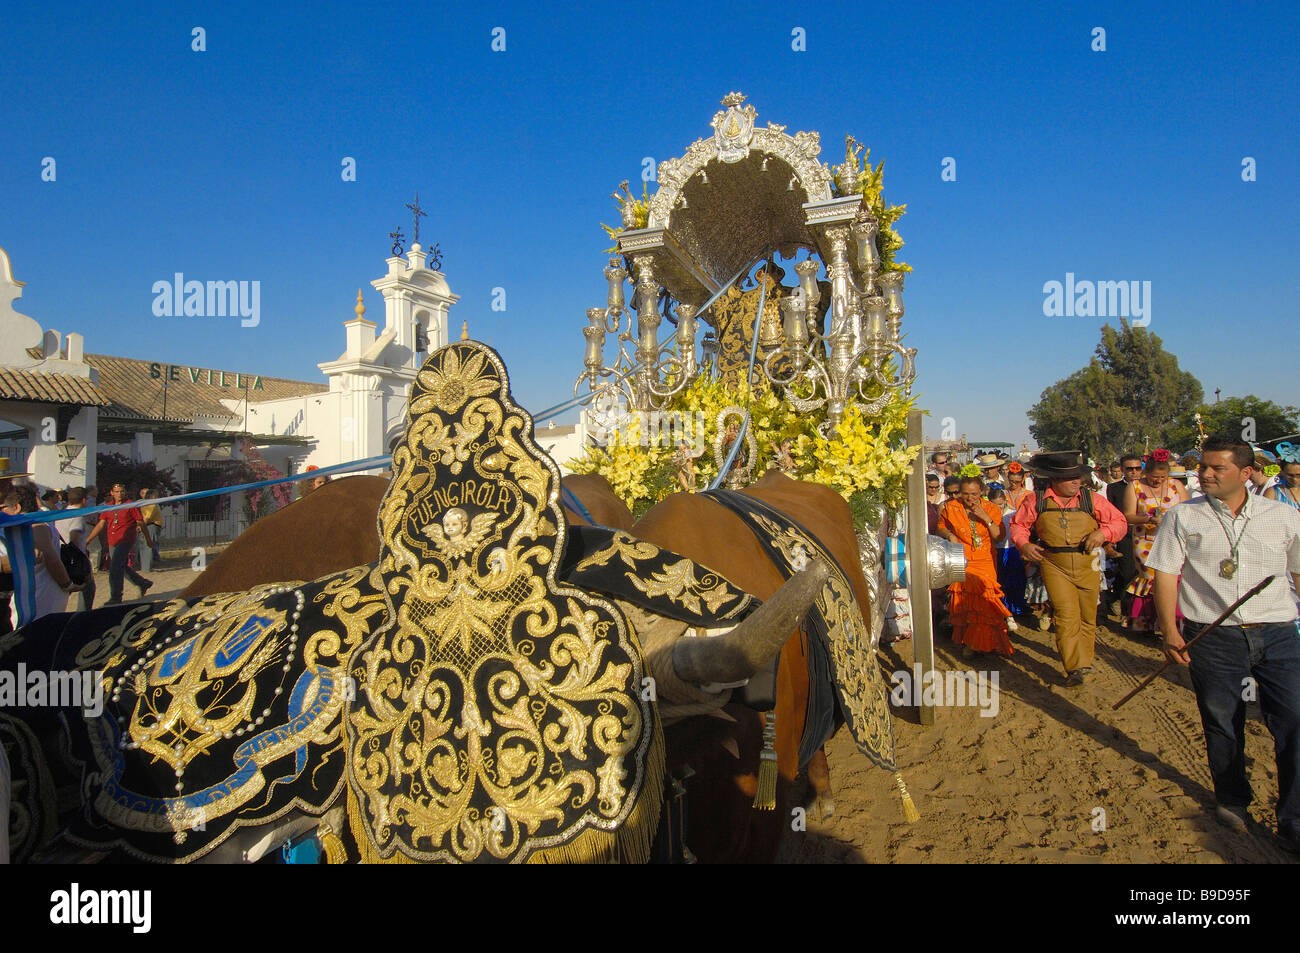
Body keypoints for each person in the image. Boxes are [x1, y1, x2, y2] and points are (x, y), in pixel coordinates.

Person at [1150, 436, 1300, 852]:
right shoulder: (1182, 517)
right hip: (1212, 636)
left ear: (1247, 473)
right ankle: (1233, 798)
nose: (1206, 474)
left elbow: (1299, 574)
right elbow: (1164, 574)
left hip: (1278, 633)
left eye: (1218, 468)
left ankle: (1294, 818)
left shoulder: (1283, 517)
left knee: (1294, 720)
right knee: (1222, 720)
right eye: (1204, 468)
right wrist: (1170, 631)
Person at [1010, 450, 1128, 685]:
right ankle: (1075, 666)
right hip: (1054, 564)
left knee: (1088, 614)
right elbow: (1018, 526)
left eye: (1078, 477)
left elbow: (1119, 522)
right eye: (1070, 477)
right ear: (1054, 479)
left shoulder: (1092, 499)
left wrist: (1102, 533)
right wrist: (1024, 545)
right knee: (1065, 614)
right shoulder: (1036, 500)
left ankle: (1084, 659)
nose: (1077, 481)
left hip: (1089, 563)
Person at [937, 474, 1016, 658]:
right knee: (967, 604)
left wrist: (985, 517)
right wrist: (949, 535)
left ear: (981, 492)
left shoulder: (991, 509)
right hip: (962, 559)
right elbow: (940, 527)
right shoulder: (951, 508)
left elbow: (999, 536)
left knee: (986, 603)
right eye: (965, 494)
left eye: (974, 493)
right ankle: (970, 643)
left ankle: (987, 643)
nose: (970, 498)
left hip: (985, 560)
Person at [1123, 449, 1189, 635]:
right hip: (1146, 541)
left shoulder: (1176, 486)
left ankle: (1171, 622)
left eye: (1162, 477)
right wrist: (1148, 520)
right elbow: (1128, 515)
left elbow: (1187, 511)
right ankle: (1148, 621)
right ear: (1146, 473)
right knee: (1152, 578)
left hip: (1174, 540)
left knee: (1174, 576)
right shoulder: (1135, 487)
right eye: (1154, 477)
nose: (1158, 481)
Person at [1, 487, 82, 626]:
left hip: (39, 597)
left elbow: (50, 557)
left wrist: (67, 585)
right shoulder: (33, 520)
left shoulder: (34, 526)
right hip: (40, 594)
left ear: (16, 507)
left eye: (2, 508)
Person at [84, 482, 154, 604]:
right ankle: (142, 583)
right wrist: (88, 539)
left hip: (126, 539)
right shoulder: (108, 506)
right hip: (113, 540)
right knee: (120, 565)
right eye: (117, 491)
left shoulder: (130, 505)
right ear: (112, 493)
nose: (119, 494)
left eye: (122, 491)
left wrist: (148, 539)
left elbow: (140, 522)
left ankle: (116, 596)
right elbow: (101, 524)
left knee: (115, 567)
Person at [1102, 453, 1143, 622]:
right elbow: (1110, 514)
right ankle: (1115, 597)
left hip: (1146, 535)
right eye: (1130, 469)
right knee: (1127, 573)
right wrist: (1110, 540)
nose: (1134, 472)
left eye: (1137, 468)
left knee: (1142, 574)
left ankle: (1133, 611)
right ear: (1123, 470)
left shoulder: (1147, 488)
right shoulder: (1114, 489)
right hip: (1125, 535)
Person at [55, 486, 96, 611]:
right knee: (87, 588)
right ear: (84, 500)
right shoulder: (77, 516)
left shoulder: (62, 513)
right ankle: (82, 616)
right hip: (73, 558)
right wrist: (82, 559)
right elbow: (75, 540)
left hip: (62, 554)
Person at [138, 487, 164, 571]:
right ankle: (146, 568)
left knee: (146, 546)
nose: (157, 497)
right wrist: (140, 526)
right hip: (150, 526)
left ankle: (146, 566)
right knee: (148, 546)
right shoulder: (151, 504)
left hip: (149, 525)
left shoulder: (145, 504)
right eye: (155, 495)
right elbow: (147, 518)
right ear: (152, 496)